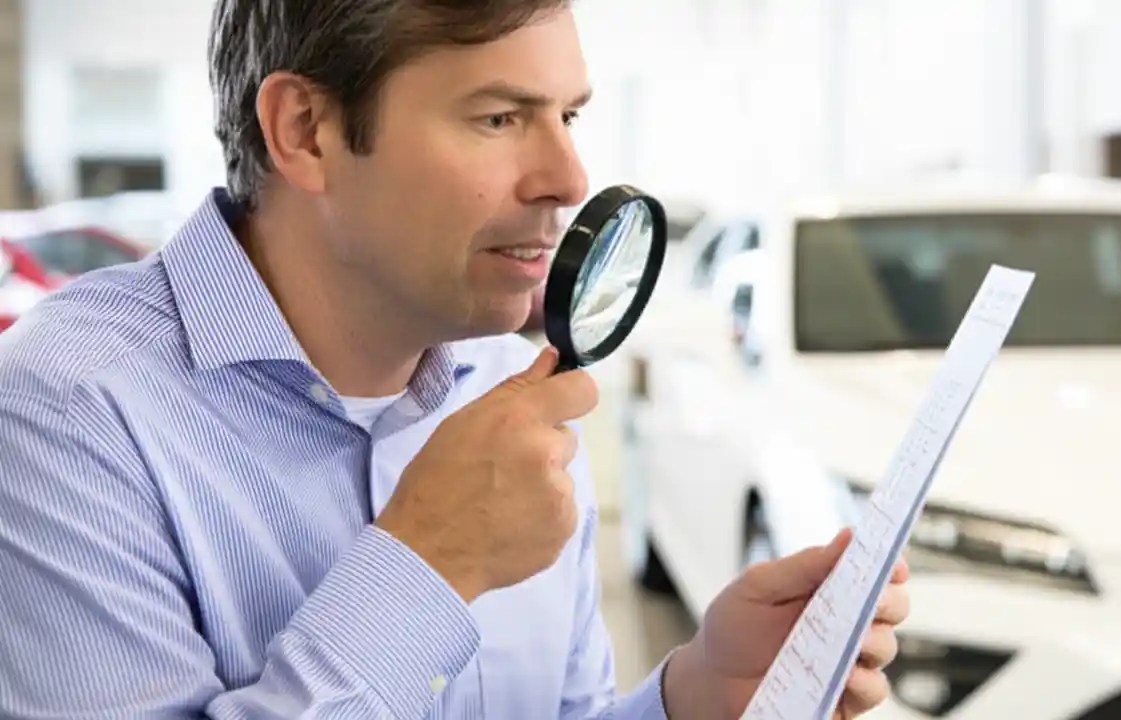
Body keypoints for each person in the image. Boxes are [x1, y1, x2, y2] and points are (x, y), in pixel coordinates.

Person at [0, 2, 910, 718]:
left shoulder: (502, 393)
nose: (567, 177)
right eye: (500, 116)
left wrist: (696, 696)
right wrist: (427, 565)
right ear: (306, 128)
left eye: (570, 113)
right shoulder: (66, 413)